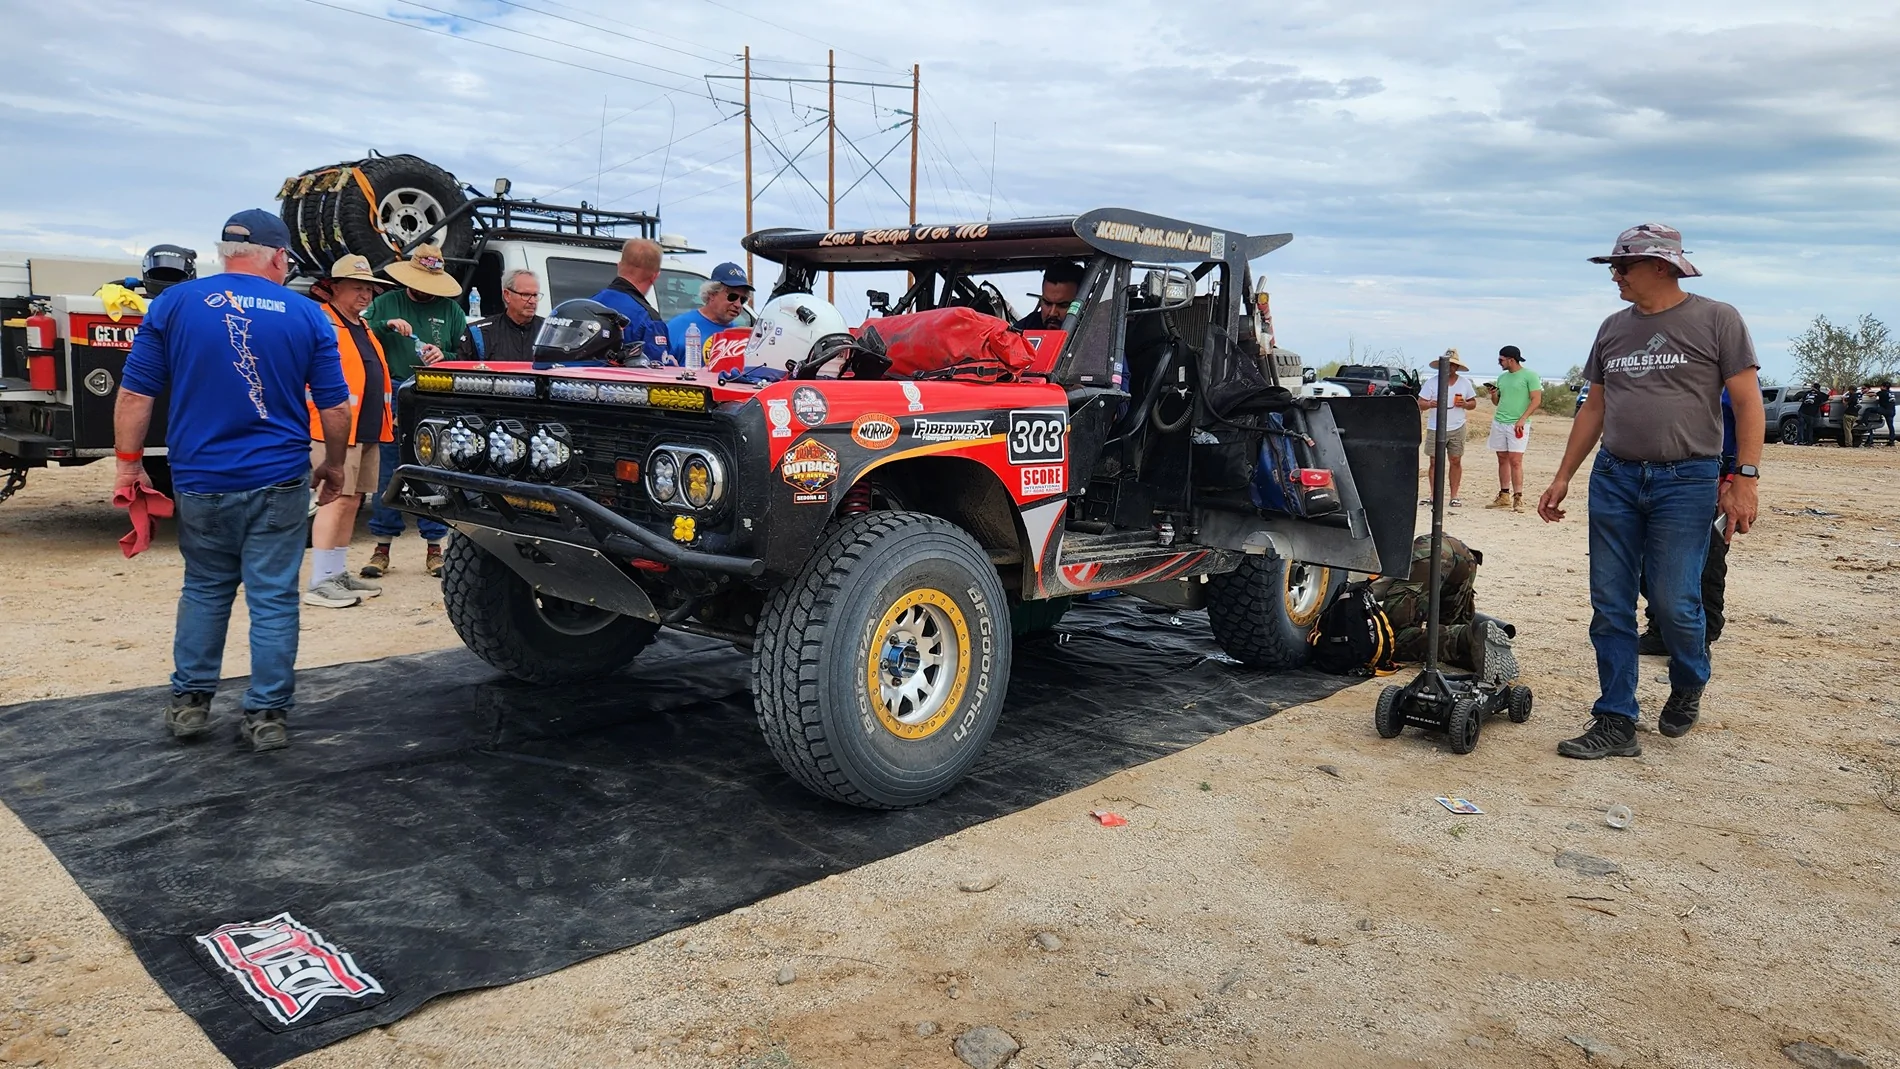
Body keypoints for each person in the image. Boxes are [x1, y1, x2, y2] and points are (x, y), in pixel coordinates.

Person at [114, 209, 351, 753]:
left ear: (225, 253)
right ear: (279, 257)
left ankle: (189, 704)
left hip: (201, 479)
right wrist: (334, 465)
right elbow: (336, 407)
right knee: (273, 598)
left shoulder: (174, 303)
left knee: (204, 588)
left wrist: (128, 466)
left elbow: (134, 394)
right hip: (278, 478)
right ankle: (267, 714)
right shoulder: (307, 313)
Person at [1538, 223, 1763, 759]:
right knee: (1610, 603)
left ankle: (1690, 678)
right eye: (1613, 266)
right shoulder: (1612, 329)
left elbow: (1748, 402)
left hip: (1687, 480)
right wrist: (1563, 475)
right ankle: (1616, 719)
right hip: (1614, 477)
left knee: (1673, 600)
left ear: (1661, 266)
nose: (1614, 275)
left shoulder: (1718, 319)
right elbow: (1595, 406)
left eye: (1623, 266)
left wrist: (1745, 479)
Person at [363, 244, 465, 578]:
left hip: (433, 391)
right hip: (393, 390)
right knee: (388, 468)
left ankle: (435, 547)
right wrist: (386, 325)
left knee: (433, 468)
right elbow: (361, 333)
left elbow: (464, 353)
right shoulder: (386, 303)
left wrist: (445, 356)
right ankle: (382, 547)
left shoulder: (451, 310)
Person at [306, 255, 397, 609]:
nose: (366, 295)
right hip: (335, 429)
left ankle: (336, 572)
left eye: (369, 289)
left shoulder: (362, 326)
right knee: (334, 499)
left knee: (353, 500)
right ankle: (320, 582)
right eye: (358, 287)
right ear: (334, 288)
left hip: (367, 427)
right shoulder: (322, 323)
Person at [1639, 388, 1737, 654]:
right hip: (1658, 476)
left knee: (1704, 563)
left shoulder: (1732, 378)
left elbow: (1746, 421)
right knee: (1650, 559)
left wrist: (1736, 478)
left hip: (1712, 479)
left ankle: (1699, 638)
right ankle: (1661, 629)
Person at [1369, 533, 1518, 681]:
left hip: (1427, 557)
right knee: (1449, 635)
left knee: (1391, 640)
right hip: (1460, 552)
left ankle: (1470, 637)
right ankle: (1480, 651)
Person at [590, 237, 669, 364]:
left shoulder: (589, 305)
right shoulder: (648, 319)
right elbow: (657, 369)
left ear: (619, 266)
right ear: (654, 276)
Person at [1484, 345, 1542, 512]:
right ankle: (1504, 495)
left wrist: (1523, 419)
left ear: (1511, 359)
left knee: (1515, 460)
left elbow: (1536, 399)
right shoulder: (1502, 377)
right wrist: (1493, 394)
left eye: (1501, 360)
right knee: (1502, 458)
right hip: (1500, 422)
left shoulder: (1530, 375)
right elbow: (1497, 402)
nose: (1499, 363)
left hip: (1518, 424)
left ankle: (1518, 497)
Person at [1418, 350, 1477, 508]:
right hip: (1435, 426)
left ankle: (1454, 495)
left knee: (1455, 460)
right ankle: (1434, 495)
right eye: (1447, 364)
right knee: (1434, 461)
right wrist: (1429, 404)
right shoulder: (1431, 383)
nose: (1449, 367)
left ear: (1456, 367)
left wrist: (1465, 404)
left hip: (1457, 426)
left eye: (1452, 365)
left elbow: (1473, 403)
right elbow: (1420, 402)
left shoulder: (1464, 383)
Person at [456, 268, 544, 363]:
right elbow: (461, 369)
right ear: (507, 295)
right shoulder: (479, 333)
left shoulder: (549, 331)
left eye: (535, 295)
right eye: (526, 295)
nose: (532, 301)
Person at [1013, 261, 1087, 331]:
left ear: (1084, 304)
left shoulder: (1089, 331)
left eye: (1063, 305)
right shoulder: (1025, 328)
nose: (1052, 313)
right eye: (1047, 303)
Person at [1796, 381, 1825, 445]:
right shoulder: (1821, 394)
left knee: (1801, 426)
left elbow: (1801, 399)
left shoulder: (1807, 393)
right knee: (1809, 428)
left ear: (1813, 387)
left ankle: (1800, 441)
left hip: (1802, 411)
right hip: (1811, 414)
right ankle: (1809, 441)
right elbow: (1830, 398)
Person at [1837, 383, 1858, 447]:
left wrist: (1843, 399)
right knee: (1850, 430)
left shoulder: (1851, 396)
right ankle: (1850, 442)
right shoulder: (1857, 396)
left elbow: (1845, 404)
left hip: (1848, 414)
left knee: (1847, 430)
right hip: (1855, 415)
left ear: (1851, 390)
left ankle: (1848, 443)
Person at [1878, 381, 1897, 447]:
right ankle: (1891, 440)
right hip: (1892, 411)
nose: (1880, 387)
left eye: (1881, 386)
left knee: (1870, 410)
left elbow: (1875, 395)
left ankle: (1891, 441)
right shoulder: (1891, 393)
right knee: (1891, 426)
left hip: (1886, 410)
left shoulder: (1883, 392)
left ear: (1884, 387)